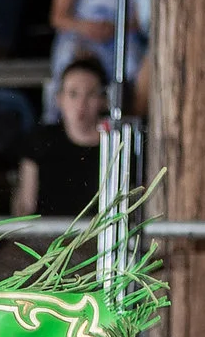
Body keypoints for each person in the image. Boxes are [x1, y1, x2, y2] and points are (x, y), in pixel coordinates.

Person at [16, 56, 126, 222]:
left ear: (104, 101)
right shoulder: (40, 140)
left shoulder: (117, 144)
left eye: (90, 94)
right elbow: (25, 206)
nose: (81, 105)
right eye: (73, 94)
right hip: (46, 240)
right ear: (60, 99)